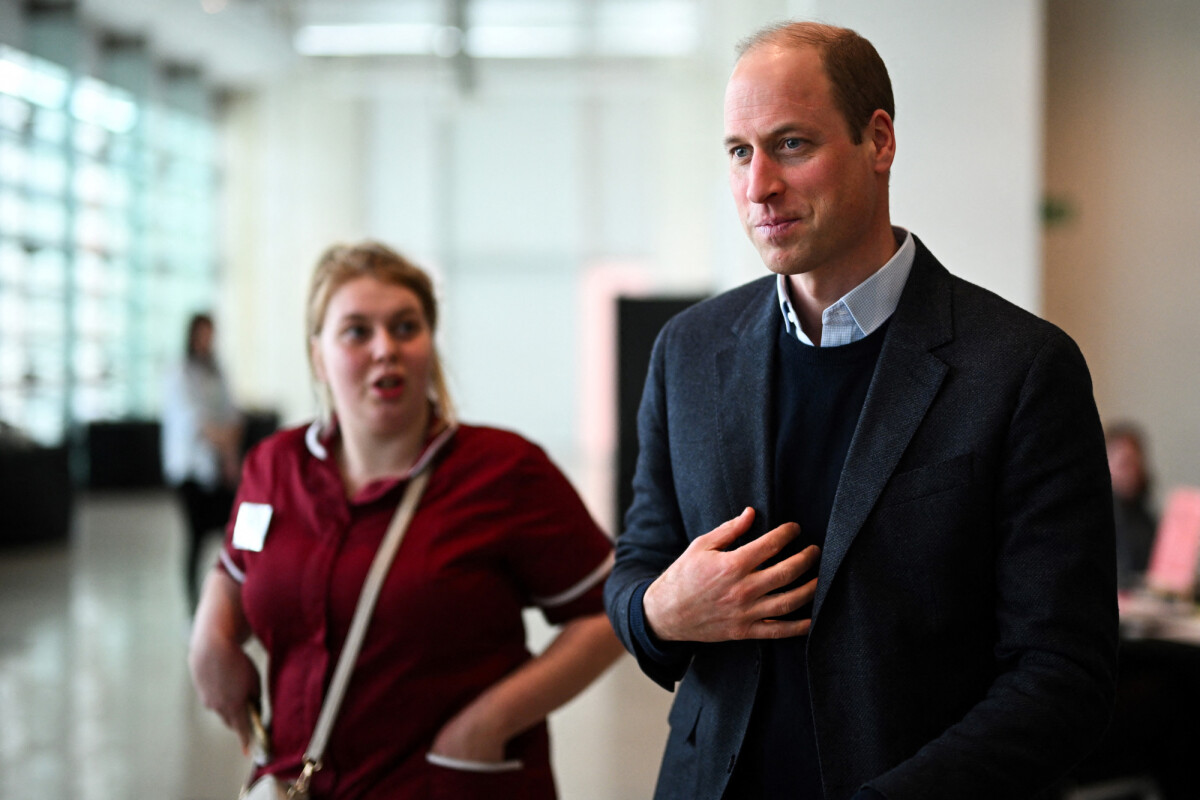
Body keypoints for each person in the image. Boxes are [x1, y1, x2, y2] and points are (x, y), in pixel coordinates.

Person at [604, 21, 1117, 800]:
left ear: (879, 142)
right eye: (740, 152)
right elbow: (637, 566)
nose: (758, 186)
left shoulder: (1020, 368)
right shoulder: (688, 351)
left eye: (791, 145)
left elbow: (1062, 674)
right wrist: (658, 612)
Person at [188, 241, 623, 799]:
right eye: (357, 332)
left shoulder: (504, 471)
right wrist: (209, 636)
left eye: (405, 327)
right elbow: (237, 566)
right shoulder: (274, 466)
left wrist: (484, 726)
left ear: (429, 344)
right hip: (305, 780)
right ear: (318, 355)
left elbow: (611, 609)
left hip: (442, 784)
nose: (384, 349)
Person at [162, 312, 243, 613]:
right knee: (196, 537)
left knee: (230, 534)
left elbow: (232, 415)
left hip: (219, 468)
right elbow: (195, 423)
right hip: (190, 469)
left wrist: (230, 451)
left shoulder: (218, 371)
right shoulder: (179, 372)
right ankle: (193, 605)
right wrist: (222, 439)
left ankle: (227, 600)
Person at [1105, 422, 1158, 591]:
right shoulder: (1095, 517)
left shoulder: (1146, 517)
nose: (1131, 472)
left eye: (1135, 464)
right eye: (1124, 463)